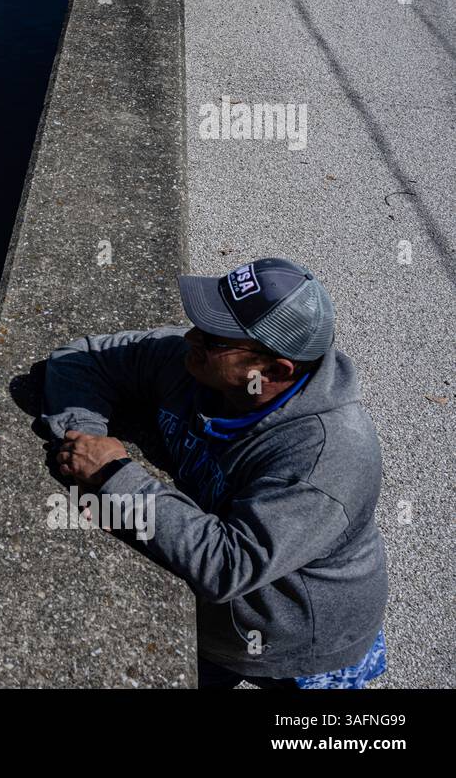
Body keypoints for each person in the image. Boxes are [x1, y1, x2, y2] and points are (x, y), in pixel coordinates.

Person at [41, 258, 388, 688]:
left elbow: (228, 564)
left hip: (296, 635)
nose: (190, 338)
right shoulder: (199, 367)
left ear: (273, 371)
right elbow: (79, 358)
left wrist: (113, 474)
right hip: (226, 605)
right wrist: (85, 438)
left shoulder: (327, 459)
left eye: (213, 338)